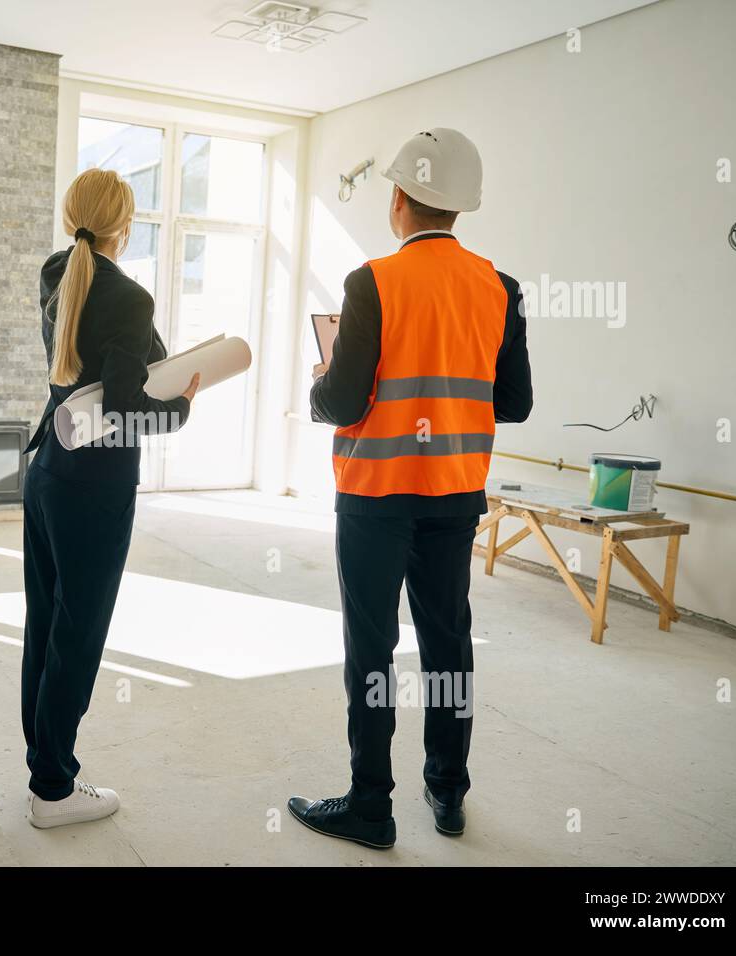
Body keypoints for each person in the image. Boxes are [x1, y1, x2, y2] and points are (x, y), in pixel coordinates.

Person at [289, 129, 533, 849]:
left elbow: (343, 400)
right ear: (460, 209)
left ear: (399, 200)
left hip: (376, 493)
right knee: (447, 640)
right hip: (455, 491)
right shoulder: (501, 288)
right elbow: (513, 402)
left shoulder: (372, 283)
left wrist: (317, 387)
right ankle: (448, 792)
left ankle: (371, 805)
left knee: (372, 648)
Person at [21, 168, 200, 829]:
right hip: (93, 487)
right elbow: (128, 411)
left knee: (47, 623)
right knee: (80, 631)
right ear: (127, 224)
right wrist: (181, 404)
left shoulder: (53, 273)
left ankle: (44, 767)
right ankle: (54, 790)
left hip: (46, 470)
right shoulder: (129, 297)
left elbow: (97, 377)